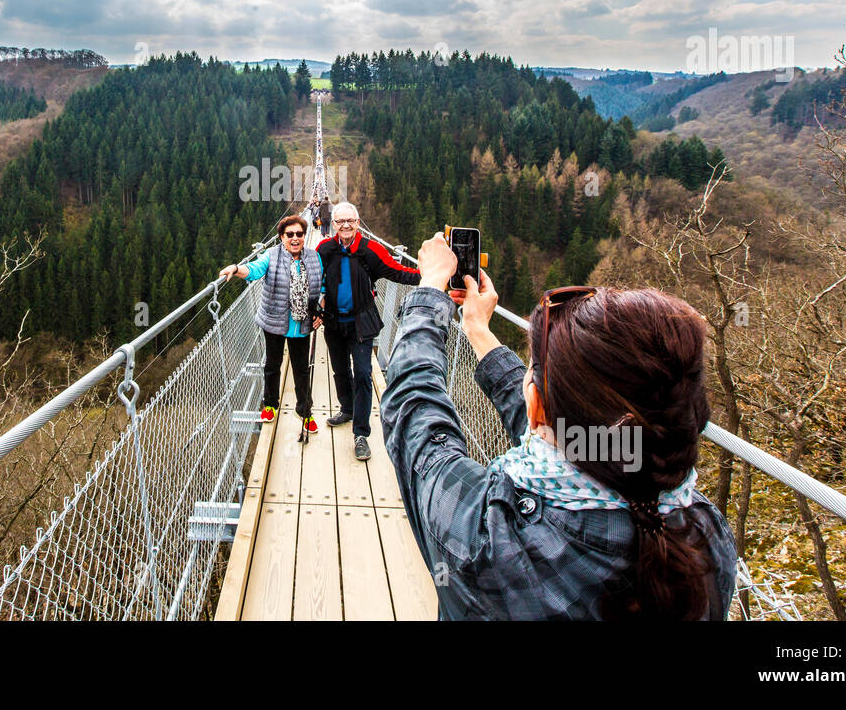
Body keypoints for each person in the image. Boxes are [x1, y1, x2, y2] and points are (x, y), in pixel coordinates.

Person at [381, 232, 737, 620]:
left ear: (536, 406)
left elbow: (415, 408)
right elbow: (576, 434)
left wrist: (431, 285)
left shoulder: (487, 535)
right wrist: (478, 331)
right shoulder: (706, 537)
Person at [315, 201, 420, 460]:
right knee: (340, 369)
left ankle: (361, 433)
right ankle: (347, 409)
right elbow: (311, 277)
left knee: (362, 374)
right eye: (340, 221)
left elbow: (398, 272)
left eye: (350, 220)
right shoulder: (324, 248)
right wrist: (314, 308)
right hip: (333, 321)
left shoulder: (370, 249)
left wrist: (435, 277)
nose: (345, 225)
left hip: (361, 323)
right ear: (333, 225)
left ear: (358, 223)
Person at [220, 215, 324, 436]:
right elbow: (255, 270)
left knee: (301, 369)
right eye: (290, 234)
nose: (295, 238)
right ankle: (270, 405)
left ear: (305, 236)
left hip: (302, 322)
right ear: (281, 237)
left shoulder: (314, 257)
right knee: (272, 365)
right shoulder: (271, 255)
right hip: (275, 321)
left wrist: (321, 312)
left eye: (299, 234)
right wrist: (237, 269)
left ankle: (305, 411)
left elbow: (322, 284)